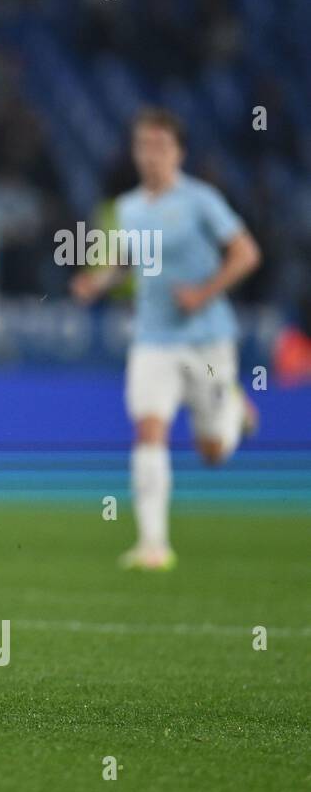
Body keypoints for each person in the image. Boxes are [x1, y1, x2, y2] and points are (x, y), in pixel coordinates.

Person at [72, 108, 261, 570]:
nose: (151, 156)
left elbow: (246, 253)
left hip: (208, 342)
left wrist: (203, 292)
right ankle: (153, 545)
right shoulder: (129, 209)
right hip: (153, 338)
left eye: (160, 146)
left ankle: (232, 409)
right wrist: (96, 283)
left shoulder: (201, 200)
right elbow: (129, 265)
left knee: (212, 451)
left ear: (179, 152)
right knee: (148, 428)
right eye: (143, 146)